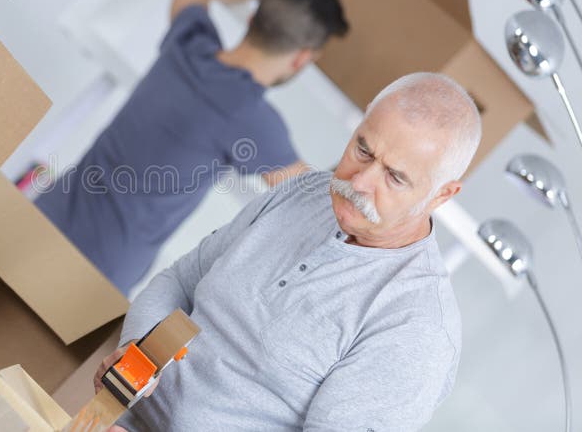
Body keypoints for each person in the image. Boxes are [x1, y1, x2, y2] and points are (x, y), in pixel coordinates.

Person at [98, 72, 482, 431]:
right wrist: (133, 359)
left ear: (442, 195)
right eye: (363, 150)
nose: (359, 181)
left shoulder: (417, 330)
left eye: (395, 177)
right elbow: (180, 282)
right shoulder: (302, 192)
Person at [35, 0, 348, 293]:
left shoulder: (188, 43)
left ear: (254, 19)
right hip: (95, 271)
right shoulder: (251, 119)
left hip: (45, 214)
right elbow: (311, 203)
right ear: (300, 59)